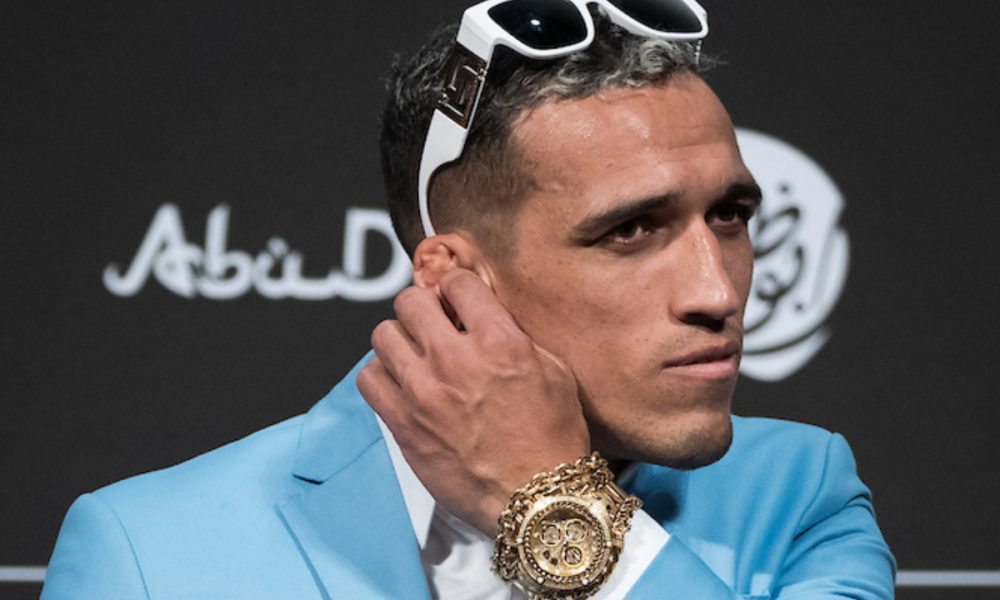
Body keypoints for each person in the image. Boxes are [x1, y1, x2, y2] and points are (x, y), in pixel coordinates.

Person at [42, 2, 896, 598]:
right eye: (632, 230)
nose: (718, 291)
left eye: (731, 216)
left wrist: (554, 503)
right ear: (455, 277)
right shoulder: (147, 551)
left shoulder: (800, 496)